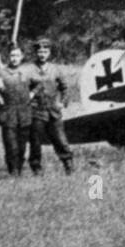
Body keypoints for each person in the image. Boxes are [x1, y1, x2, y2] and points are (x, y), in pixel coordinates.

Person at [27, 38, 74, 175]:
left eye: (45, 51)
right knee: (35, 142)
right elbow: (24, 89)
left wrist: (62, 103)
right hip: (36, 111)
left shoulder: (55, 69)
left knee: (60, 139)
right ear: (36, 53)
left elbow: (65, 88)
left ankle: (68, 165)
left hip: (53, 111)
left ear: (49, 53)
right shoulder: (30, 70)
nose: (42, 54)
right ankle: (36, 168)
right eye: (39, 51)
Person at [0, 44, 32, 175]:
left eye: (17, 55)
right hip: (8, 113)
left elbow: (39, 84)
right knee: (11, 145)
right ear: (8, 57)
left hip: (24, 114)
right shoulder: (1, 72)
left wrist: (33, 94)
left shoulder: (28, 72)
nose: (14, 58)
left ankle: (18, 168)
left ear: (22, 57)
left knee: (22, 146)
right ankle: (13, 171)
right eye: (12, 55)